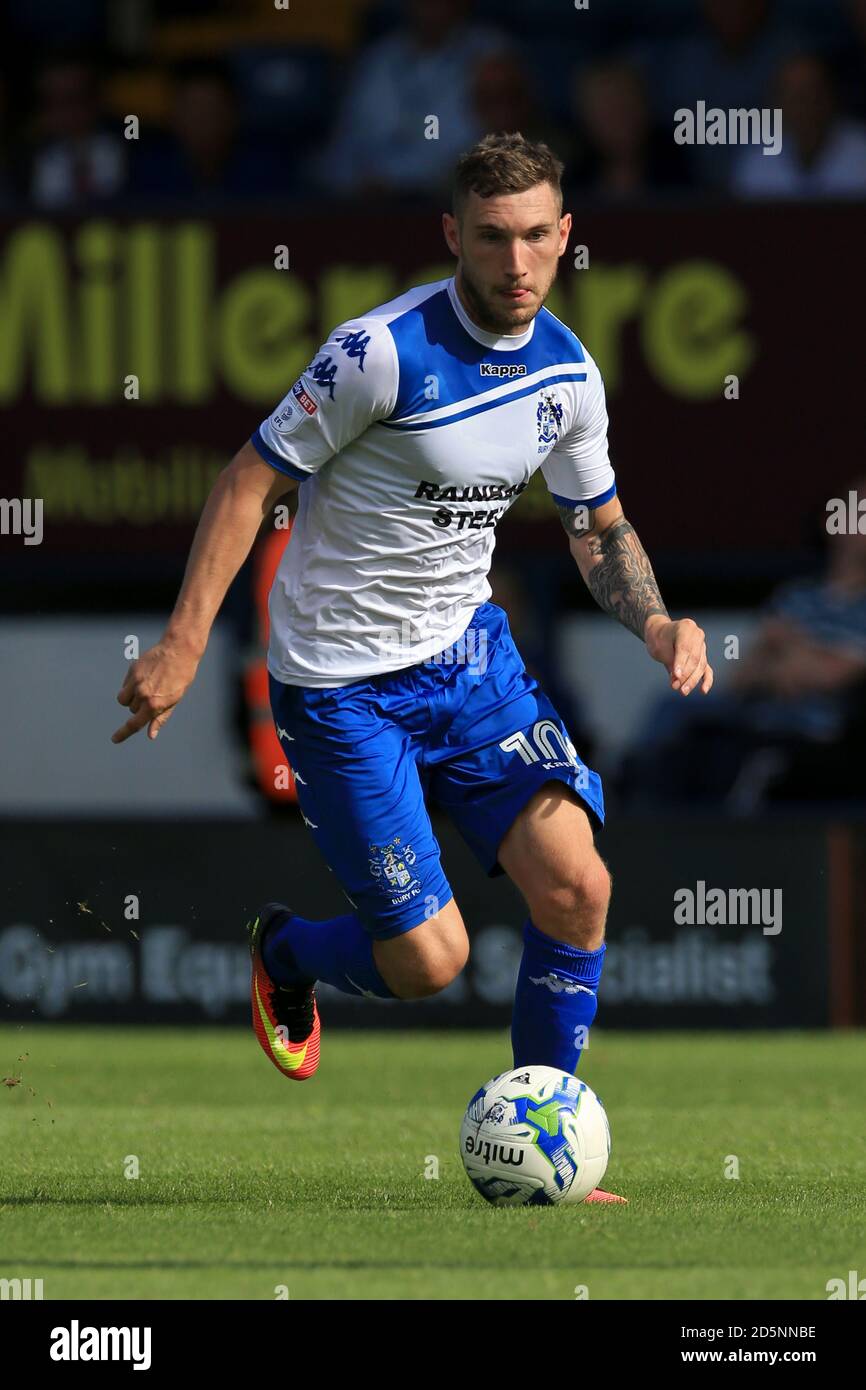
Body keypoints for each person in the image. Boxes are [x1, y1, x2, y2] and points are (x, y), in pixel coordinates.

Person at [112, 133, 713, 1203]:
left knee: (577, 885)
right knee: (426, 964)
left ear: (565, 236)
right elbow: (248, 483)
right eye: (491, 238)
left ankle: (541, 1138)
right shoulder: (378, 354)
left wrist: (658, 623)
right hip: (341, 687)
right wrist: (183, 641)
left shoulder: (568, 376)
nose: (515, 262)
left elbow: (596, 528)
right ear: (453, 237)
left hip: (467, 659)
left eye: (535, 237)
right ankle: (288, 952)